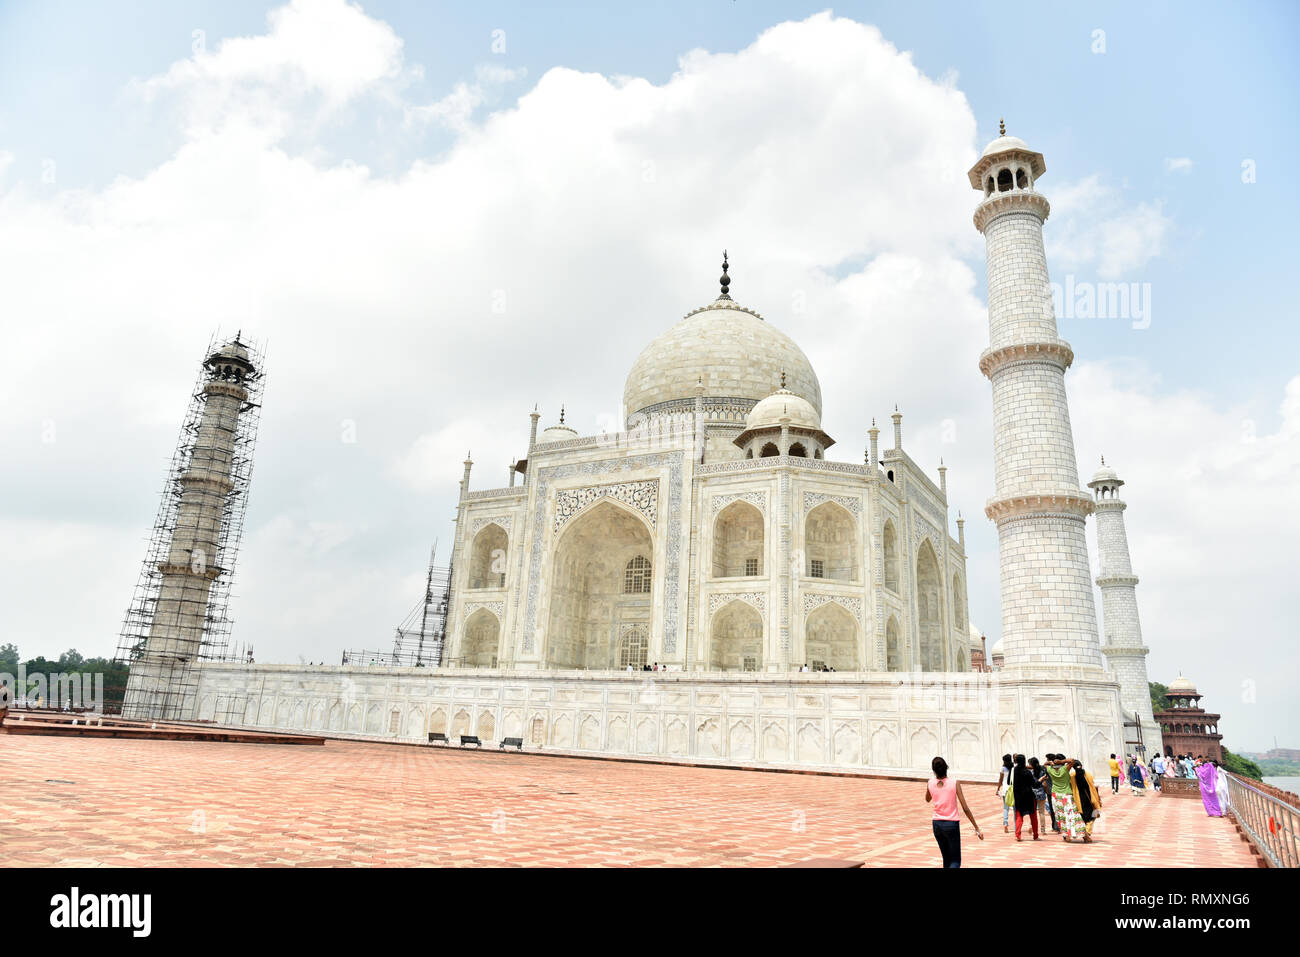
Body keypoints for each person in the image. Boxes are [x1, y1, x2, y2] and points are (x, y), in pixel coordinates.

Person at [924, 756, 983, 867]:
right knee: (955, 860)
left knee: (946, 858)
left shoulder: (930, 782)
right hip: (951, 823)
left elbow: (927, 799)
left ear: (934, 770)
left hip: (937, 823)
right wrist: (976, 827)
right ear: (946, 767)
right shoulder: (954, 783)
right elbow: (965, 807)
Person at [1045, 755, 1084, 841]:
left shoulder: (1050, 770)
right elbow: (1072, 760)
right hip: (1067, 795)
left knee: (1061, 816)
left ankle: (1066, 836)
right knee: (1073, 815)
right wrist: (1061, 761)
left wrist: (1051, 763)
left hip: (1056, 796)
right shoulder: (1065, 769)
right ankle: (1083, 835)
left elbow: (1045, 764)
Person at [1070, 759, 1103, 843]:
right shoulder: (1087, 774)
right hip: (1089, 798)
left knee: (1082, 817)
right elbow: (1093, 786)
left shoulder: (1072, 775)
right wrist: (1098, 798)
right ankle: (1087, 832)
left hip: (1078, 800)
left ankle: (1083, 833)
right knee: (1094, 814)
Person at [1011, 754, 1040, 841]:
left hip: (1019, 797)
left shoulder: (1015, 770)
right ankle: (1035, 835)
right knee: (1033, 816)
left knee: (1019, 816)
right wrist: (1041, 780)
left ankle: (1018, 834)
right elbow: (1034, 785)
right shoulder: (1027, 772)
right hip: (1029, 796)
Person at [1034, 756, 1058, 832]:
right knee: (1055, 809)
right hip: (1055, 791)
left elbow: (1044, 784)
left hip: (1048, 791)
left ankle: (1054, 826)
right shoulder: (1057, 769)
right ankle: (1054, 826)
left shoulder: (1048, 769)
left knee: (1049, 809)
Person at [996, 754, 1015, 833]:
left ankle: (1005, 824)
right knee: (1014, 808)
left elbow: (1000, 780)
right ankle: (1016, 825)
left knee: (1005, 808)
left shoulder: (1003, 768)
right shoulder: (1013, 767)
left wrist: (997, 789)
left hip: (1005, 789)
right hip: (1012, 789)